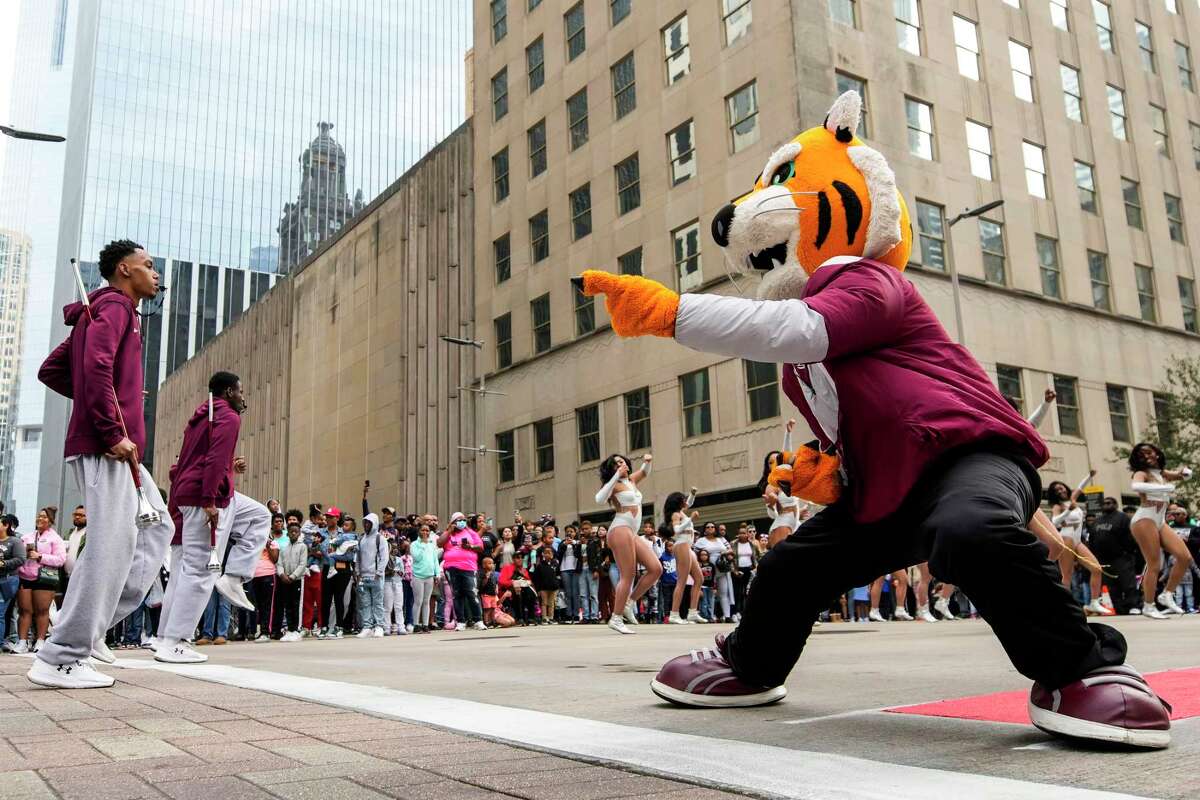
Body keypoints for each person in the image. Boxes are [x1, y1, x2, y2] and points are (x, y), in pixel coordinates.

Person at [583, 92, 1169, 746]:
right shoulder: (804, 360)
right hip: (888, 492)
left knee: (969, 531)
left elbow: (799, 331)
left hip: (969, 460)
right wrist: (831, 466)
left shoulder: (871, 282)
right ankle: (751, 666)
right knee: (790, 566)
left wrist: (671, 314)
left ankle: (1081, 670)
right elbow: (853, 404)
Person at [30, 240, 174, 688]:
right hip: (106, 445)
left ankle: (89, 628)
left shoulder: (108, 313)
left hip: (113, 442)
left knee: (157, 527)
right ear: (124, 269)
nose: (155, 273)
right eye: (148, 266)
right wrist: (112, 426)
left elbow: (56, 370)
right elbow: (88, 370)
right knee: (109, 545)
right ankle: (62, 654)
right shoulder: (113, 306)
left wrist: (122, 395)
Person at [155, 371, 269, 663]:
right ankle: (174, 642)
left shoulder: (203, 415)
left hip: (199, 492)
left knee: (259, 515)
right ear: (230, 391)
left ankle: (233, 577)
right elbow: (215, 458)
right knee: (200, 571)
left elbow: (198, 458)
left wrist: (227, 470)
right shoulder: (229, 416)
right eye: (241, 391)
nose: (243, 397)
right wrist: (208, 500)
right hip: (206, 496)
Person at [595, 454, 661, 634]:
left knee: (655, 568)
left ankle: (628, 604)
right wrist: (616, 475)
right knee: (628, 575)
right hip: (620, 528)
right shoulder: (614, 484)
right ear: (612, 468)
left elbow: (644, 472)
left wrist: (647, 461)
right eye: (616, 463)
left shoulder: (631, 480)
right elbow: (599, 499)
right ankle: (615, 618)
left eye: (622, 461)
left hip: (631, 532)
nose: (621, 463)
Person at [1128, 443, 1194, 619]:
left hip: (1159, 520)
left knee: (1185, 557)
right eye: (1141, 454)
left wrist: (1186, 472)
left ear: (1157, 453)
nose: (1146, 456)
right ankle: (1148, 606)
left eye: (1149, 452)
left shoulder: (1162, 473)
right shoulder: (1142, 473)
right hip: (1144, 519)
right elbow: (1136, 486)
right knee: (1154, 565)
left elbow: (1182, 475)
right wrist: (1164, 488)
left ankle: (1166, 594)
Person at [1046, 474, 1111, 617]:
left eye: (1061, 487)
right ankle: (1062, 607)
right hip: (1066, 539)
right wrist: (1068, 511)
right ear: (1054, 494)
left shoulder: (1072, 499)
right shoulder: (1058, 506)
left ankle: (1093, 602)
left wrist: (1090, 475)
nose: (1060, 490)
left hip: (1077, 541)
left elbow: (1081, 487)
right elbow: (1054, 522)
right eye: (1056, 490)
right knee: (1067, 576)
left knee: (1096, 568)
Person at [16, 509, 65, 653]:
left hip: (45, 578)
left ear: (50, 520)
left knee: (42, 611)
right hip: (25, 576)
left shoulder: (55, 539)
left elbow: (61, 560)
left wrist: (40, 557)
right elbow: (18, 555)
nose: (40, 519)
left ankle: (40, 641)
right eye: (39, 516)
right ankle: (22, 642)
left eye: (44, 517)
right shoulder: (26, 537)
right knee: (24, 610)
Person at [1089, 497, 1140, 615]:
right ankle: (1118, 608)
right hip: (1102, 559)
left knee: (1128, 583)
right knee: (1110, 586)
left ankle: (1133, 606)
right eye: (1105, 503)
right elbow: (1092, 539)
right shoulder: (1098, 520)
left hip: (1121, 557)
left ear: (1115, 505)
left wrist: (1128, 552)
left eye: (1109, 503)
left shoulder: (1123, 518)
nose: (1106, 505)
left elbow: (1130, 537)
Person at [663, 490, 706, 625]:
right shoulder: (676, 514)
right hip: (681, 545)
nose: (685, 501)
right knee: (681, 581)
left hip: (687, 546)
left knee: (699, 578)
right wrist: (691, 519)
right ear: (678, 502)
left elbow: (689, 503)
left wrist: (693, 493)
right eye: (683, 499)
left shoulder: (681, 511)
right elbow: (676, 530)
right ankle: (674, 614)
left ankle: (692, 612)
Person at [438, 513, 485, 631]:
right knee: (457, 595)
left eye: (463, 520)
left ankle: (478, 620)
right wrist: (449, 531)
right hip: (451, 568)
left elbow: (480, 547)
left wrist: (470, 547)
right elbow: (439, 543)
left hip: (469, 567)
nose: (462, 522)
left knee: (472, 593)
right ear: (453, 522)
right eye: (459, 520)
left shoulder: (471, 533)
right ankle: (460, 621)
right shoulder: (448, 533)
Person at [355, 513, 389, 638]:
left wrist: (379, 572)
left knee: (378, 602)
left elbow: (384, 557)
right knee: (365, 603)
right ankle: (367, 626)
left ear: (374, 524)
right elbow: (358, 558)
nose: (366, 525)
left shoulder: (380, 538)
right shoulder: (361, 539)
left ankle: (379, 626)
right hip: (363, 577)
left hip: (376, 576)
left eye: (368, 523)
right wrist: (358, 573)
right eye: (365, 523)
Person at [694, 523, 733, 622]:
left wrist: (725, 553)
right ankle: (710, 616)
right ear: (704, 529)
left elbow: (730, 550)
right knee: (710, 595)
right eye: (708, 527)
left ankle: (727, 616)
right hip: (708, 572)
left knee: (724, 593)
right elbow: (694, 553)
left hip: (721, 569)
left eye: (712, 527)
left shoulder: (721, 539)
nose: (710, 528)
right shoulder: (700, 541)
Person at [0, 515, 24, 649]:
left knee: (0, 612)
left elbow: (21, 559)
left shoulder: (15, 541)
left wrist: (3, 563)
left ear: (6, 525)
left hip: (7, 581)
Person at [409, 524, 437, 632]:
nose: (425, 532)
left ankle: (425, 624)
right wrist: (423, 545)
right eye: (423, 530)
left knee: (427, 601)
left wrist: (437, 573)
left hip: (429, 575)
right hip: (418, 576)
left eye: (427, 530)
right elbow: (417, 557)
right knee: (418, 601)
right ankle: (416, 624)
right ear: (419, 531)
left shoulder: (431, 544)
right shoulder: (414, 544)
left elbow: (435, 560)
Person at [558, 526, 583, 623]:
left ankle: (576, 615)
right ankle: (569, 615)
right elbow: (558, 555)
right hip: (564, 569)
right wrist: (564, 544)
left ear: (575, 532)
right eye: (567, 532)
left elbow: (578, 555)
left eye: (571, 531)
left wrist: (574, 544)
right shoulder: (562, 543)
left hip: (575, 570)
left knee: (575, 593)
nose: (569, 533)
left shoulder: (578, 542)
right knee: (568, 594)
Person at [532, 546, 560, 625]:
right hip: (543, 588)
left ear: (552, 554)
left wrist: (557, 585)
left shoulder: (555, 564)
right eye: (546, 553)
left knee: (551, 603)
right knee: (544, 603)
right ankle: (544, 617)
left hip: (553, 588)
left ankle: (551, 617)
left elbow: (558, 575)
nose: (548, 554)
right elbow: (537, 578)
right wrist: (538, 589)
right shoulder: (540, 565)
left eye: (549, 553)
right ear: (543, 554)